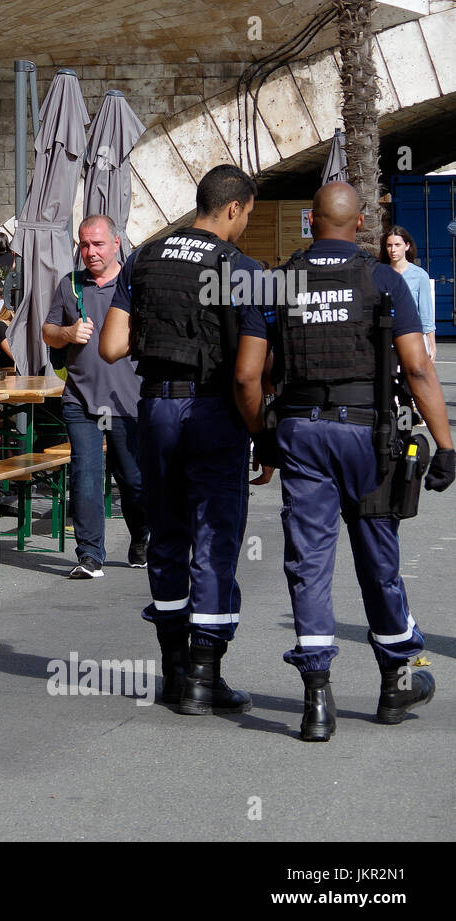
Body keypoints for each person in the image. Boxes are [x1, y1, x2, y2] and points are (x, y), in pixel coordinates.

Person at [235, 182, 454, 741]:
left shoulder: (275, 282)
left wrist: (262, 436)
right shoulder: (384, 281)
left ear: (310, 222)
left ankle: (316, 701)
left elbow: (248, 375)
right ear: (361, 224)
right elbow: (421, 370)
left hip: (302, 433)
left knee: (308, 561)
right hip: (367, 436)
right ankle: (394, 680)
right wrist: (446, 444)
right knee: (377, 559)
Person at [99, 163, 261, 714]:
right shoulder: (238, 267)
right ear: (234, 208)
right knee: (215, 538)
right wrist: (263, 432)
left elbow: (111, 348)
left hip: (156, 406)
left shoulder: (144, 257)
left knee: (167, 534)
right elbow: (247, 370)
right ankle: (204, 675)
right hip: (213, 409)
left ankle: (171, 669)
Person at [43, 215, 147, 580]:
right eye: (84, 245)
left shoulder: (135, 284)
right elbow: (48, 331)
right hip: (80, 398)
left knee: (133, 479)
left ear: (117, 243)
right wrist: (68, 333)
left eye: (98, 244)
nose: (90, 252)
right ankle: (90, 555)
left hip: (128, 399)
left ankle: (141, 537)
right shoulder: (70, 285)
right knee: (85, 475)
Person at [380, 226, 435, 360]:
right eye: (389, 245)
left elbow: (425, 312)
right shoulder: (379, 273)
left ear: (407, 246)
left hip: (411, 338)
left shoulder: (420, 275)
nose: (393, 250)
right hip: (385, 338)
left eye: (397, 245)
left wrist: (431, 343)